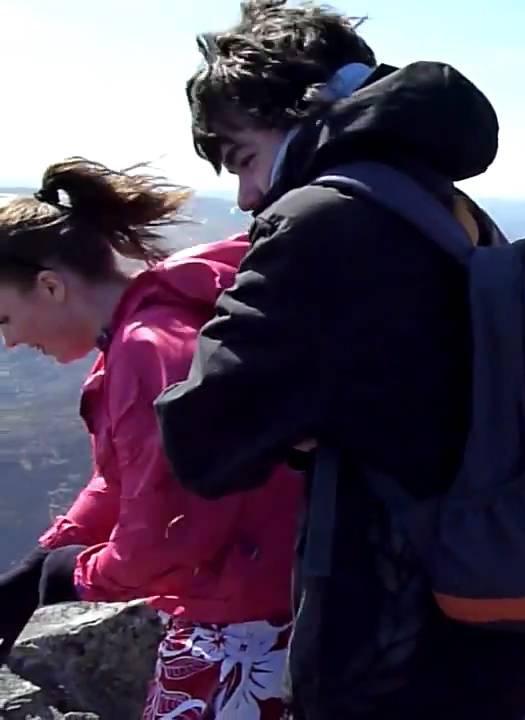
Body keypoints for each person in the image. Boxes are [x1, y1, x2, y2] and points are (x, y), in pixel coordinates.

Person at [153, 2, 525, 718]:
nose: (245, 194)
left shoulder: (320, 222)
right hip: (500, 626)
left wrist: (299, 423)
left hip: (390, 650)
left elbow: (202, 438)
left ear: (304, 111)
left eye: (244, 157)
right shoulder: (452, 210)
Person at [0, 158, 302, 720]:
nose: (11, 343)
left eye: (5, 319)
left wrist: (83, 576)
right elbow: (129, 477)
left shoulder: (149, 349)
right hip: (257, 606)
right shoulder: (149, 328)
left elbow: (176, 526)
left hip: (247, 627)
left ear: (50, 285)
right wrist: (45, 556)